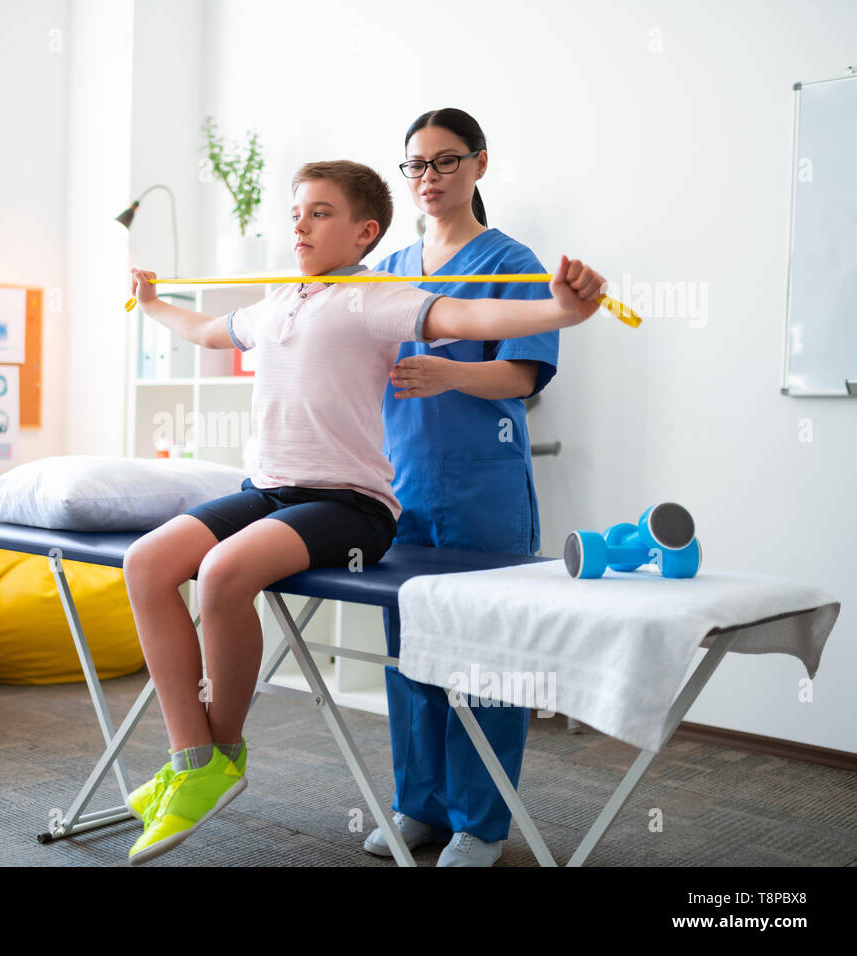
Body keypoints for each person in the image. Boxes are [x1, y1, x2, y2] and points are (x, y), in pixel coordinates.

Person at [122, 158, 605, 865]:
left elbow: (469, 315)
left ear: (364, 232)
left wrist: (563, 310)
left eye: (320, 212)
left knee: (225, 573)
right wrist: (152, 301)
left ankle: (219, 759)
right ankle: (191, 755)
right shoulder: (282, 298)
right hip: (273, 488)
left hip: (350, 504)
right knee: (146, 562)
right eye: (296, 212)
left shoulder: (375, 297)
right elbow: (205, 334)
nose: (301, 224)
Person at [361, 108, 560, 867]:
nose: (429, 178)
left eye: (446, 162)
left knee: (486, 659)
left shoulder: (512, 260)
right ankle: (421, 808)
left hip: (482, 489)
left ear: (479, 164)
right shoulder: (386, 268)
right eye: (416, 165)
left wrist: (448, 372)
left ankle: (481, 822)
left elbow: (521, 373)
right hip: (397, 487)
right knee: (411, 654)